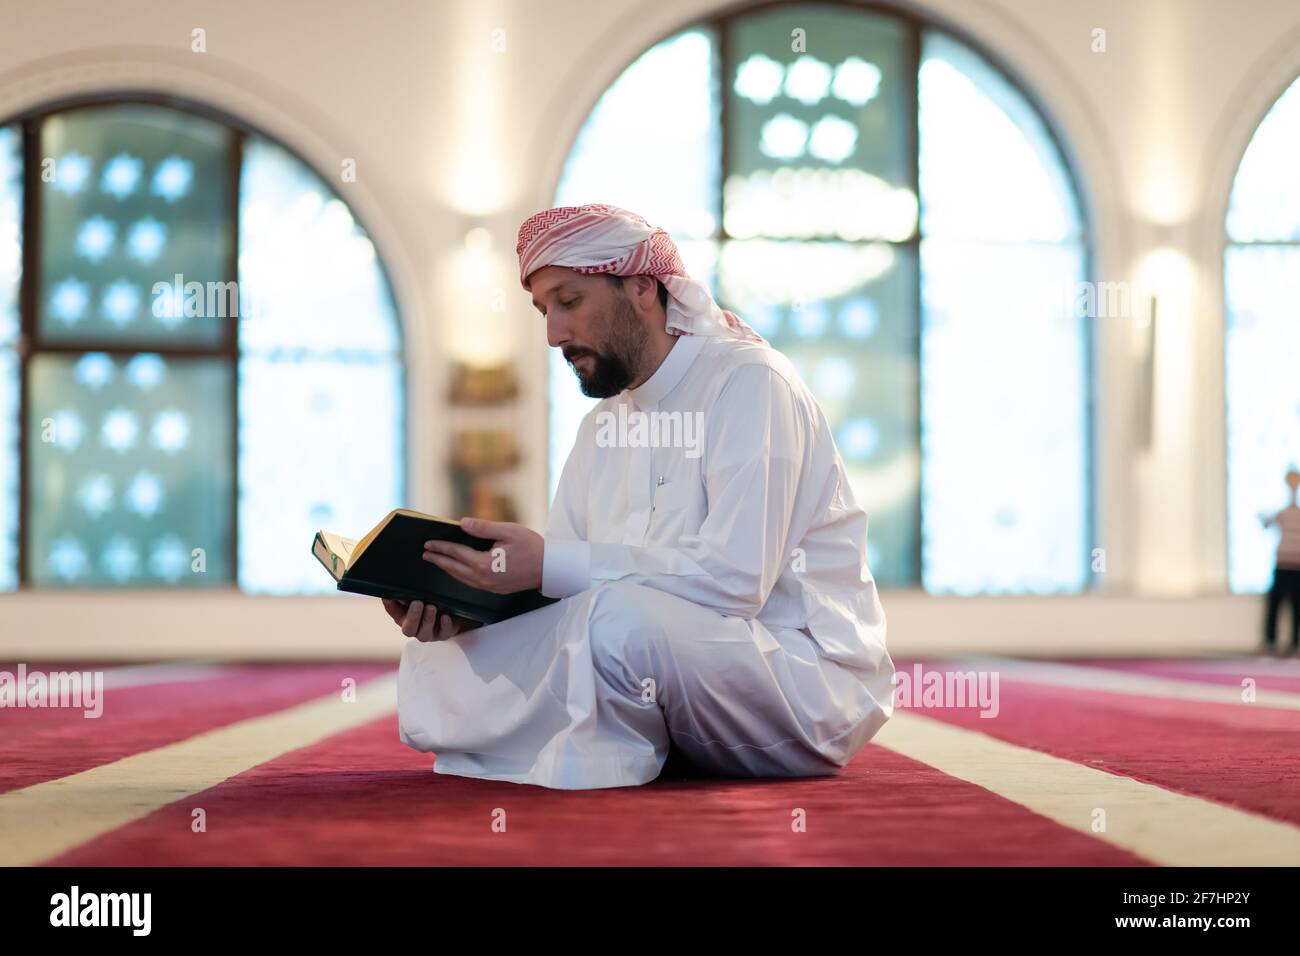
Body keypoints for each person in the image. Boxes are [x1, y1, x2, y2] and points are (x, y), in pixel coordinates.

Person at [384, 203, 894, 789]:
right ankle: (628, 733)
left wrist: (547, 563)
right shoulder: (601, 427)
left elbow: (735, 583)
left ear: (642, 287)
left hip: (799, 678)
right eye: (544, 310)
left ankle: (606, 740)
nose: (553, 334)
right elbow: (564, 594)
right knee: (439, 657)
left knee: (617, 624)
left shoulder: (752, 383)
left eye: (568, 301)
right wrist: (470, 613)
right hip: (670, 664)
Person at [1259, 468, 1300, 655]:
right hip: (1281, 564)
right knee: (1274, 606)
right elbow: (1266, 524)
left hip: (1297, 565)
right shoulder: (1282, 512)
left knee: (1297, 607)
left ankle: (1294, 644)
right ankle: (1270, 642)